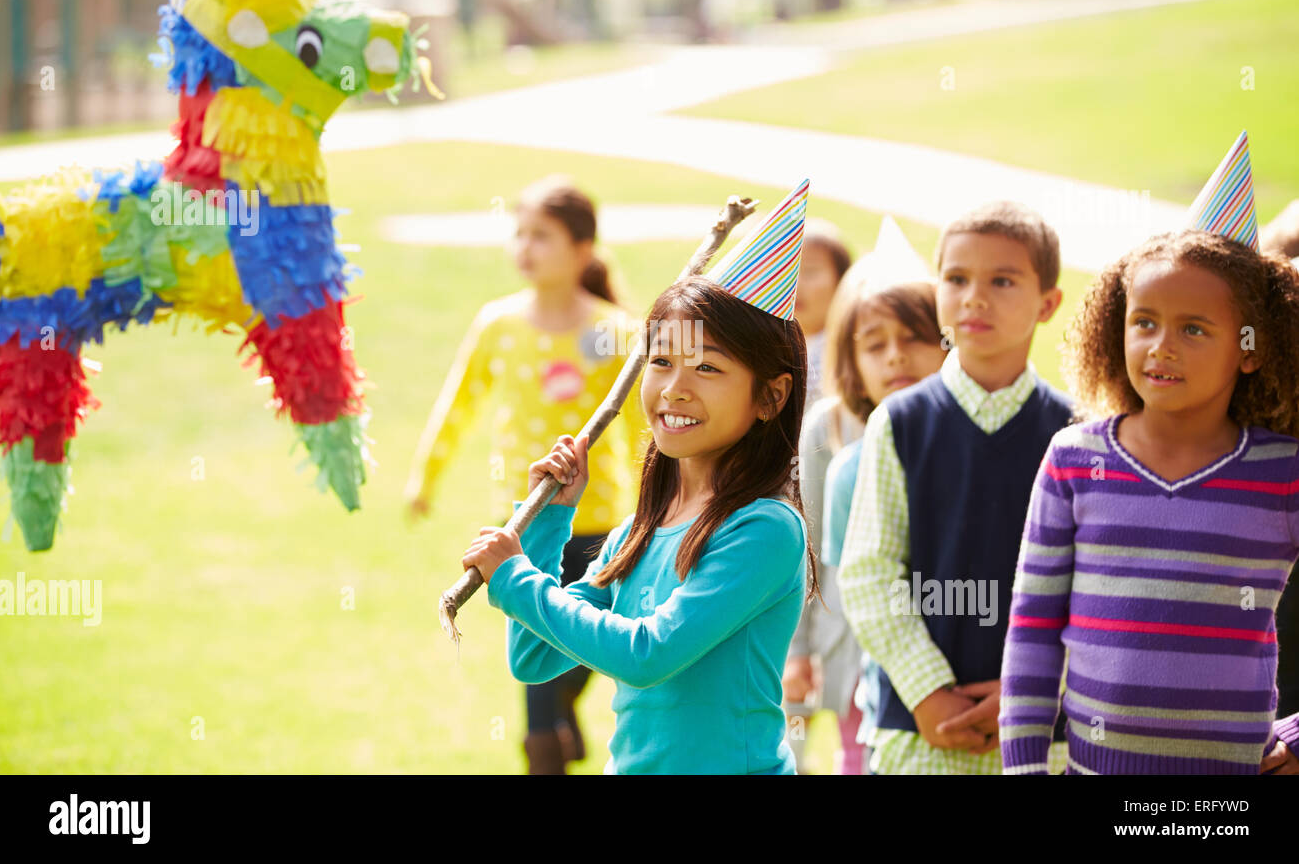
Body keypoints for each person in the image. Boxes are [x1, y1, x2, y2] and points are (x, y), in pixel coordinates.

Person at [461, 183, 816, 773]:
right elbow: (533, 658)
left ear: (770, 397)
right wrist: (549, 523)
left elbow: (647, 654)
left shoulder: (765, 529)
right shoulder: (642, 527)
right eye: (661, 361)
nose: (676, 387)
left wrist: (515, 578)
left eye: (707, 368)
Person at [999, 227, 1299, 774]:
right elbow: (1033, 626)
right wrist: (1024, 768)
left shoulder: (1283, 472)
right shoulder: (1072, 459)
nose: (1162, 345)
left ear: (1249, 350)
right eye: (1145, 322)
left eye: (1193, 328)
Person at [405, 175, 647, 774]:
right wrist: (424, 477)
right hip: (518, 526)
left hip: (601, 522)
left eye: (542, 235)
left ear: (583, 250)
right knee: (535, 657)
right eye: (520, 233)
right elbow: (458, 403)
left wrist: (654, 502)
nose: (525, 246)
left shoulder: (612, 330)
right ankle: (547, 748)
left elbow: (645, 427)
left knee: (587, 639)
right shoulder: (498, 324)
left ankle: (559, 723)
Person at [838, 200, 1072, 774]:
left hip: (1049, 736)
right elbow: (869, 574)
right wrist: (928, 690)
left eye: (1002, 280)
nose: (974, 297)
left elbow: (1097, 588)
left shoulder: (1078, 432)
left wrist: (1034, 690)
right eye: (957, 279)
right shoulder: (898, 422)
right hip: (920, 735)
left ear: (1048, 303)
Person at [784, 219, 945, 774]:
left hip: (948, 645)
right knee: (860, 756)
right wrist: (798, 646)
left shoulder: (964, 436)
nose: (896, 358)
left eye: (915, 338)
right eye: (875, 344)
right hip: (850, 644)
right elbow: (806, 548)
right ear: (851, 358)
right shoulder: (828, 435)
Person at [794, 225, 852, 409]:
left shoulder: (846, 350)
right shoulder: (769, 343)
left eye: (810, 272)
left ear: (842, 280)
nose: (795, 285)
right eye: (788, 273)